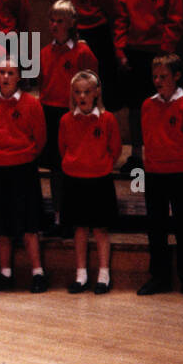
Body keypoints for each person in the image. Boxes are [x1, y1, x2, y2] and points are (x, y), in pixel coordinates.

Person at [114, 0, 183, 176]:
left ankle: (160, 154)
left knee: (161, 107)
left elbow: (174, 24)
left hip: (158, 58)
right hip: (134, 56)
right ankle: (136, 156)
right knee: (136, 108)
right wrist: (121, 53)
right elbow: (121, 23)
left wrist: (162, 57)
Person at [0, 61, 47, 293]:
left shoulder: (31, 104)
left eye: (11, 73)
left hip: (22, 171)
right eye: (2, 72)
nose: (6, 77)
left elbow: (40, 138)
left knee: (29, 225)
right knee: (1, 226)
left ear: (19, 77)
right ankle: (5, 273)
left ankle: (38, 273)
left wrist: (21, 155)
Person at [58, 70, 120, 294]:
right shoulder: (66, 120)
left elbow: (115, 150)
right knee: (80, 229)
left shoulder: (107, 119)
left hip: (99, 180)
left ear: (96, 93)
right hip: (75, 180)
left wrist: (100, 165)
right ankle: (81, 275)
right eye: (77, 92)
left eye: (86, 92)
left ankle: (104, 275)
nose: (82, 96)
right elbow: (62, 147)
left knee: (101, 230)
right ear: (73, 95)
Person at [39, 0, 98, 235]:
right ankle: (58, 217)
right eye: (52, 20)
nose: (54, 25)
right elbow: (43, 85)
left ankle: (81, 217)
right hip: (51, 114)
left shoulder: (83, 52)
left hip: (75, 115)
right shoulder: (45, 52)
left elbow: (93, 85)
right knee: (55, 169)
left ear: (72, 23)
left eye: (60, 21)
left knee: (77, 168)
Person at [137, 54, 183, 295]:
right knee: (155, 228)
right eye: (155, 76)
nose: (157, 81)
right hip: (155, 173)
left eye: (163, 76)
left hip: (181, 173)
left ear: (177, 76)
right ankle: (160, 277)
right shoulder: (148, 105)